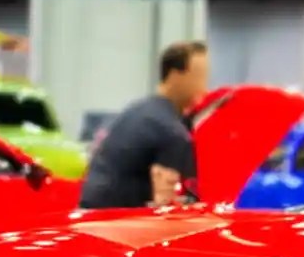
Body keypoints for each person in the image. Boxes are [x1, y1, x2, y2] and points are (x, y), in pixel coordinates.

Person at [78, 41, 208, 209]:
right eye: (198, 77)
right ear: (175, 75)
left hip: (90, 212)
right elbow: (171, 205)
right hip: (119, 219)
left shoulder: (137, 111)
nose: (204, 87)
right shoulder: (171, 131)